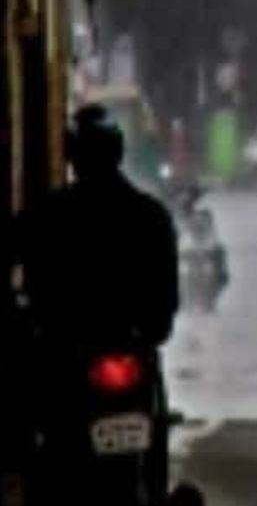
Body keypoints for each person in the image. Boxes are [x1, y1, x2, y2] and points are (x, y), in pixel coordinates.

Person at [20, 105, 180, 347]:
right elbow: (166, 297)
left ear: (71, 154)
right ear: (118, 152)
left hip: (65, 344)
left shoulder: (47, 213)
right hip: (130, 342)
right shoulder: (151, 214)